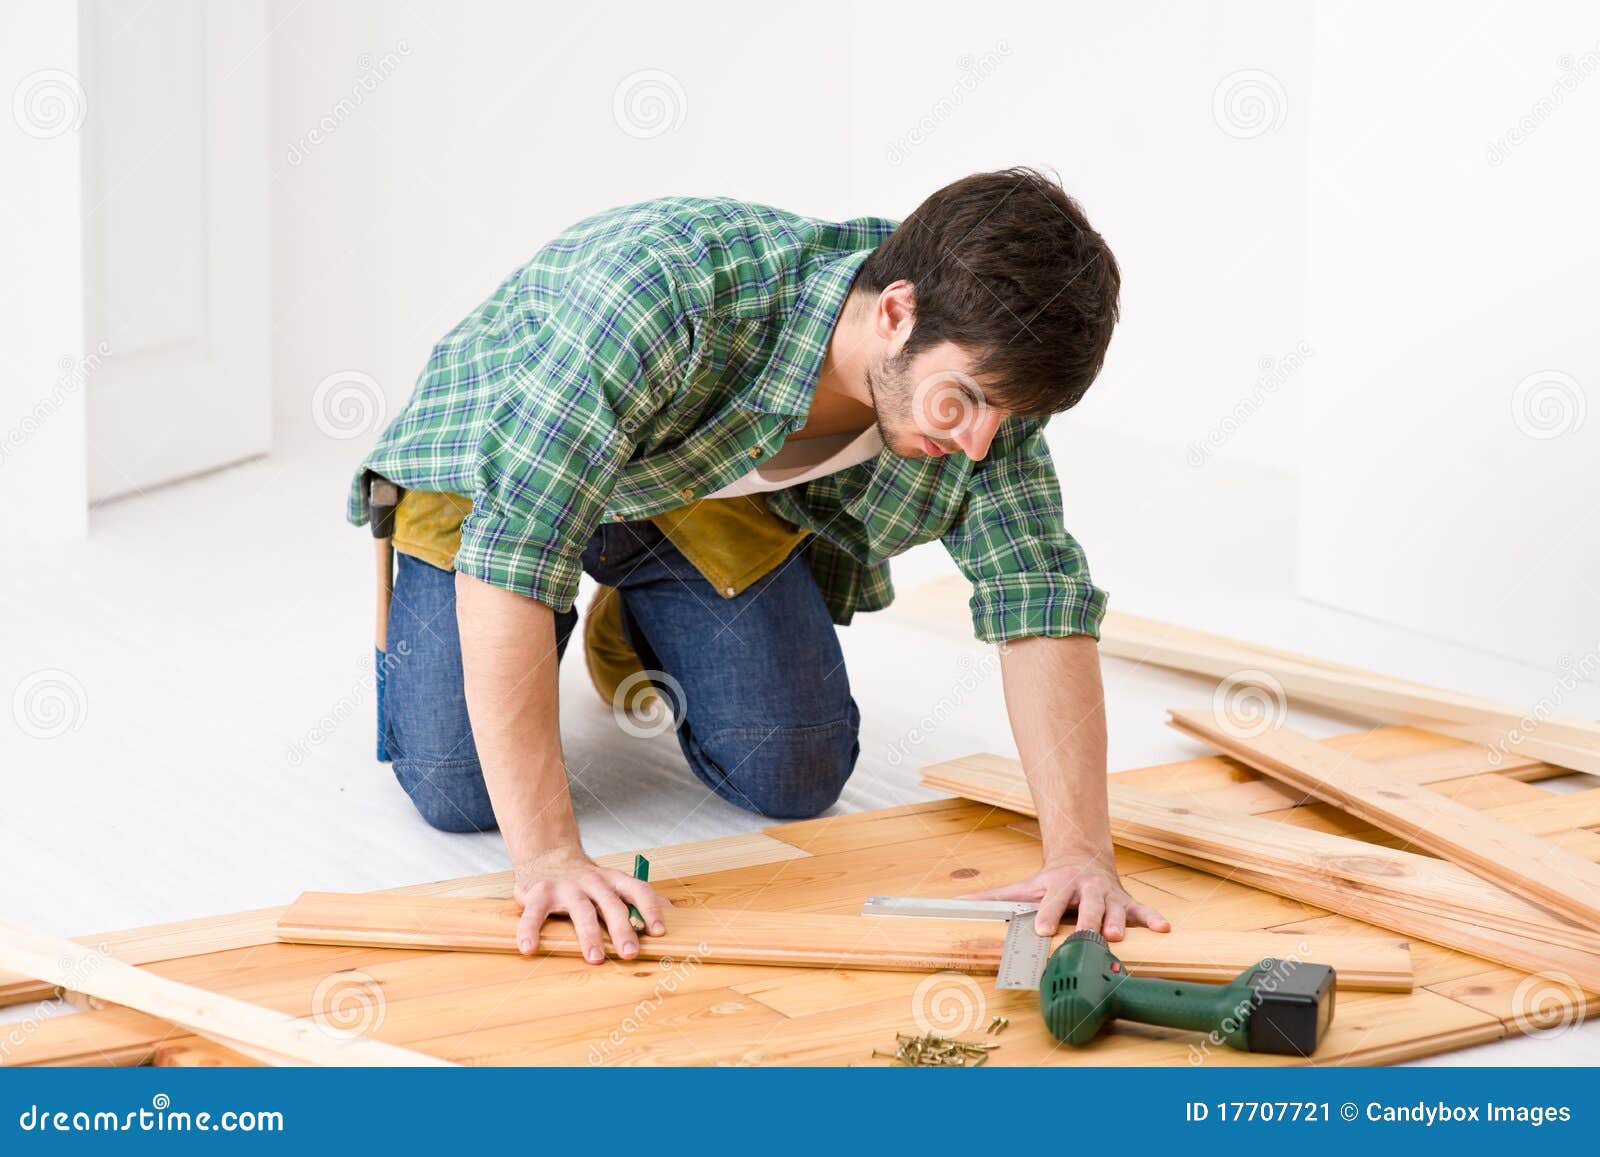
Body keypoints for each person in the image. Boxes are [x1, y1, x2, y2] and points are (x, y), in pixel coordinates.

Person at [349, 167, 1170, 965]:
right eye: (969, 401)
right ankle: (577, 596)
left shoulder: (983, 379)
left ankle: (634, 619)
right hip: (491, 483)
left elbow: (1038, 595)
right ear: (896, 311)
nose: (978, 443)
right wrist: (552, 857)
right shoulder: (664, 293)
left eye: (1007, 414)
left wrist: (1081, 854)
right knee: (461, 791)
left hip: (688, 492)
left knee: (796, 768)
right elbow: (514, 552)